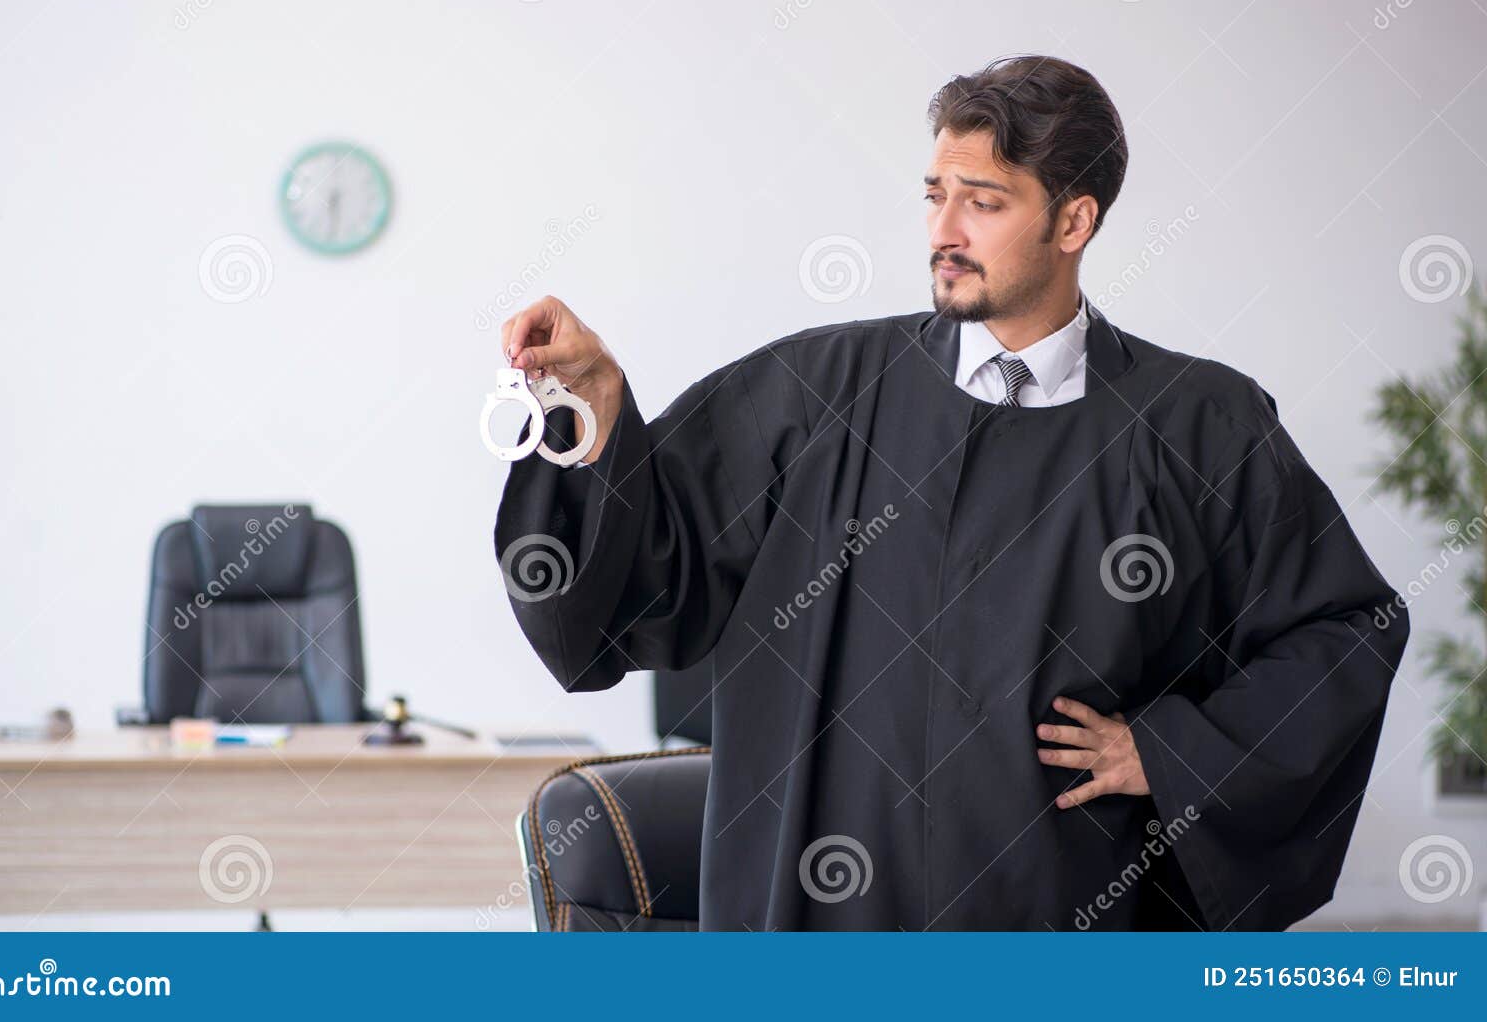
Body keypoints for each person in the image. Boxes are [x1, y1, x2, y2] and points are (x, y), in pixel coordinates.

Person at [492, 54, 1409, 931]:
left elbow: (1340, 632)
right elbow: (654, 562)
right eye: (937, 197)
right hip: (824, 933)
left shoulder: (1198, 425)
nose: (945, 231)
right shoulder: (814, 395)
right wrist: (597, 405)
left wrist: (1170, 753)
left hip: (1062, 923)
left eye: (985, 202)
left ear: (1074, 222)